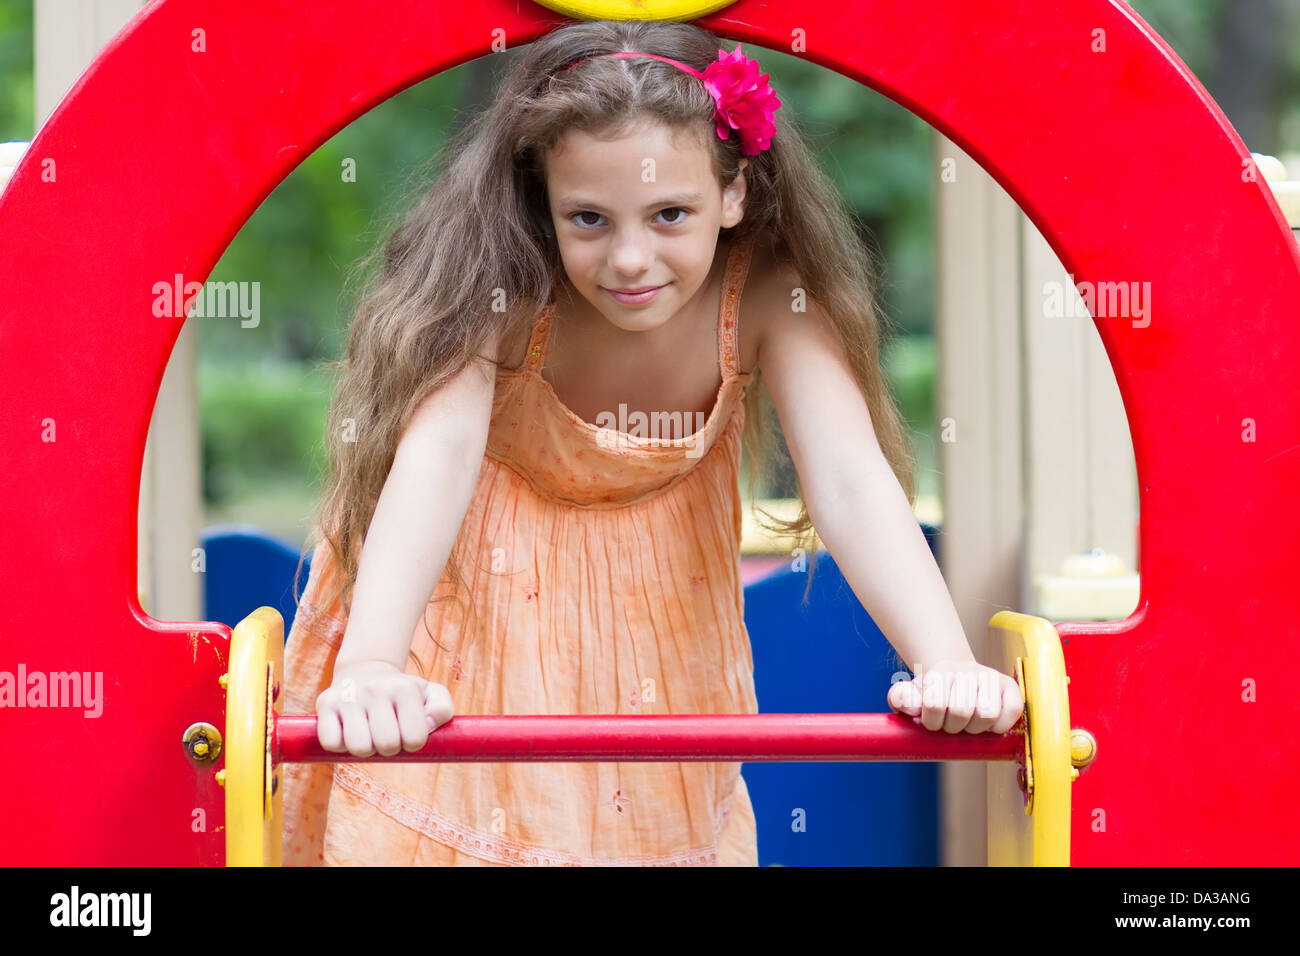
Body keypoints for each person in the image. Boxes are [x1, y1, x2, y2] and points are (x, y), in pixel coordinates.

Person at [280, 19, 1024, 867]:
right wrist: (375, 662)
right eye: (589, 218)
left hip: (650, 640)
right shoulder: (503, 282)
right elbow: (440, 451)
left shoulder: (769, 292)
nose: (631, 259)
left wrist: (946, 662)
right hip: (457, 611)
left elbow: (850, 479)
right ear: (542, 201)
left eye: (671, 214)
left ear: (734, 192)